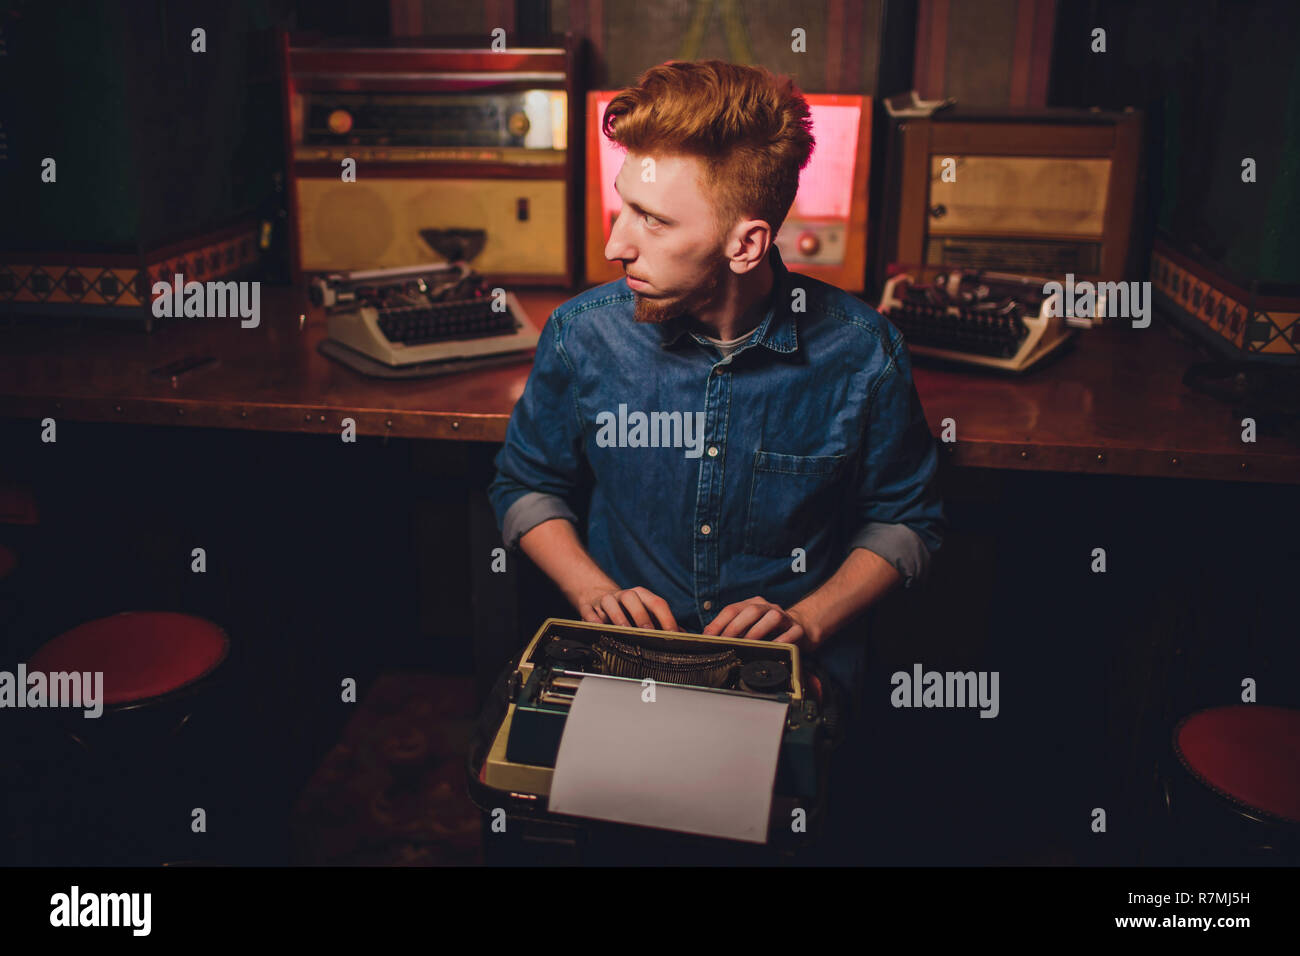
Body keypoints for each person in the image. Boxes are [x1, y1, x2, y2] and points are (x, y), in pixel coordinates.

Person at [487, 59, 945, 861]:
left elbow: (906, 522)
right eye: (624, 204)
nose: (615, 242)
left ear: (747, 242)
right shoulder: (580, 334)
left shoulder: (863, 352)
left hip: (793, 685)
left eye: (654, 222)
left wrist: (808, 620)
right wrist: (590, 587)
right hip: (623, 672)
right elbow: (526, 485)